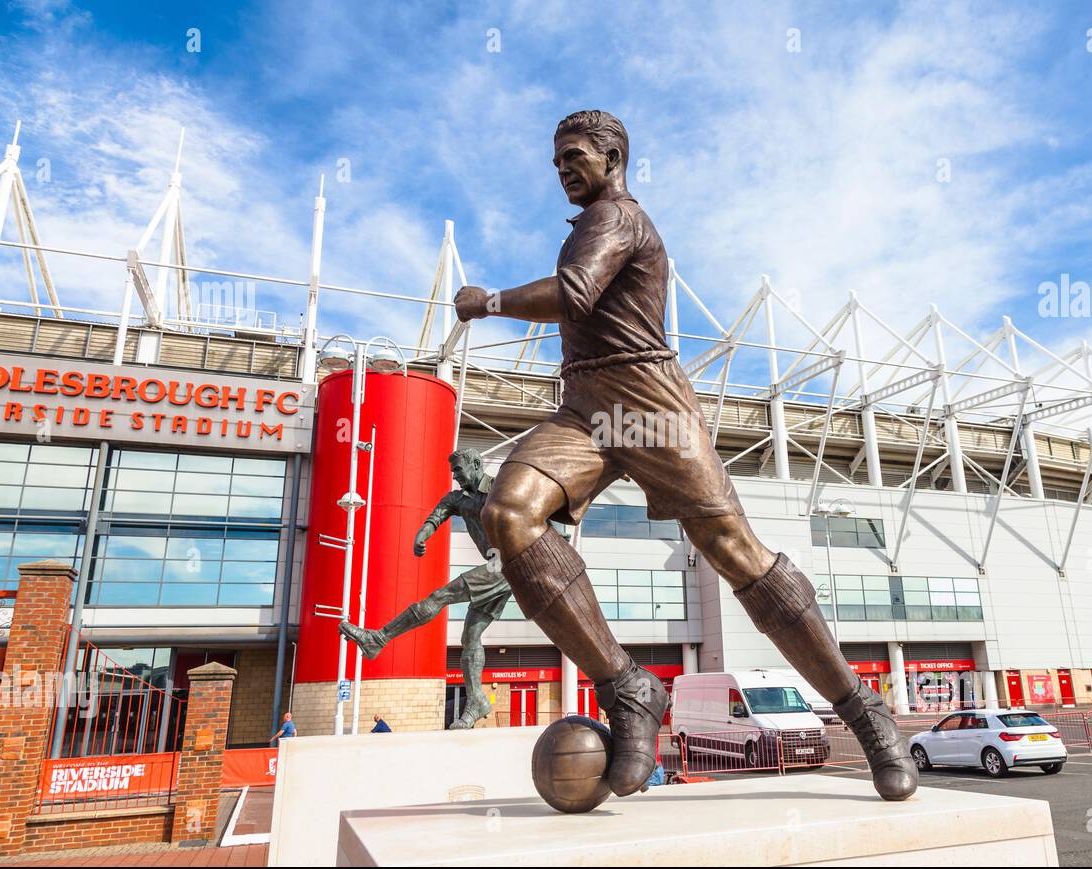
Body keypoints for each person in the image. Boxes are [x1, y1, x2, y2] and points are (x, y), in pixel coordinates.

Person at [453, 110, 918, 801]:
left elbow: (576, 295)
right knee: (509, 513)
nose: (562, 171)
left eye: (574, 156)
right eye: (554, 162)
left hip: (648, 403)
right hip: (585, 407)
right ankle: (628, 688)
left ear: (613, 156)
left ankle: (864, 712)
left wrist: (488, 300)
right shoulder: (589, 221)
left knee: (734, 550)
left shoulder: (616, 218)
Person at [340, 449, 508, 729]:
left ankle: (379, 638)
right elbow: (437, 516)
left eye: (458, 469)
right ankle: (477, 699)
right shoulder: (458, 499)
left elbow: (535, 504)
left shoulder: (501, 487)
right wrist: (422, 534)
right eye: (452, 471)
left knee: (439, 596)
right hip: (495, 565)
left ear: (477, 464)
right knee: (470, 636)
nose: (455, 475)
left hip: (507, 561)